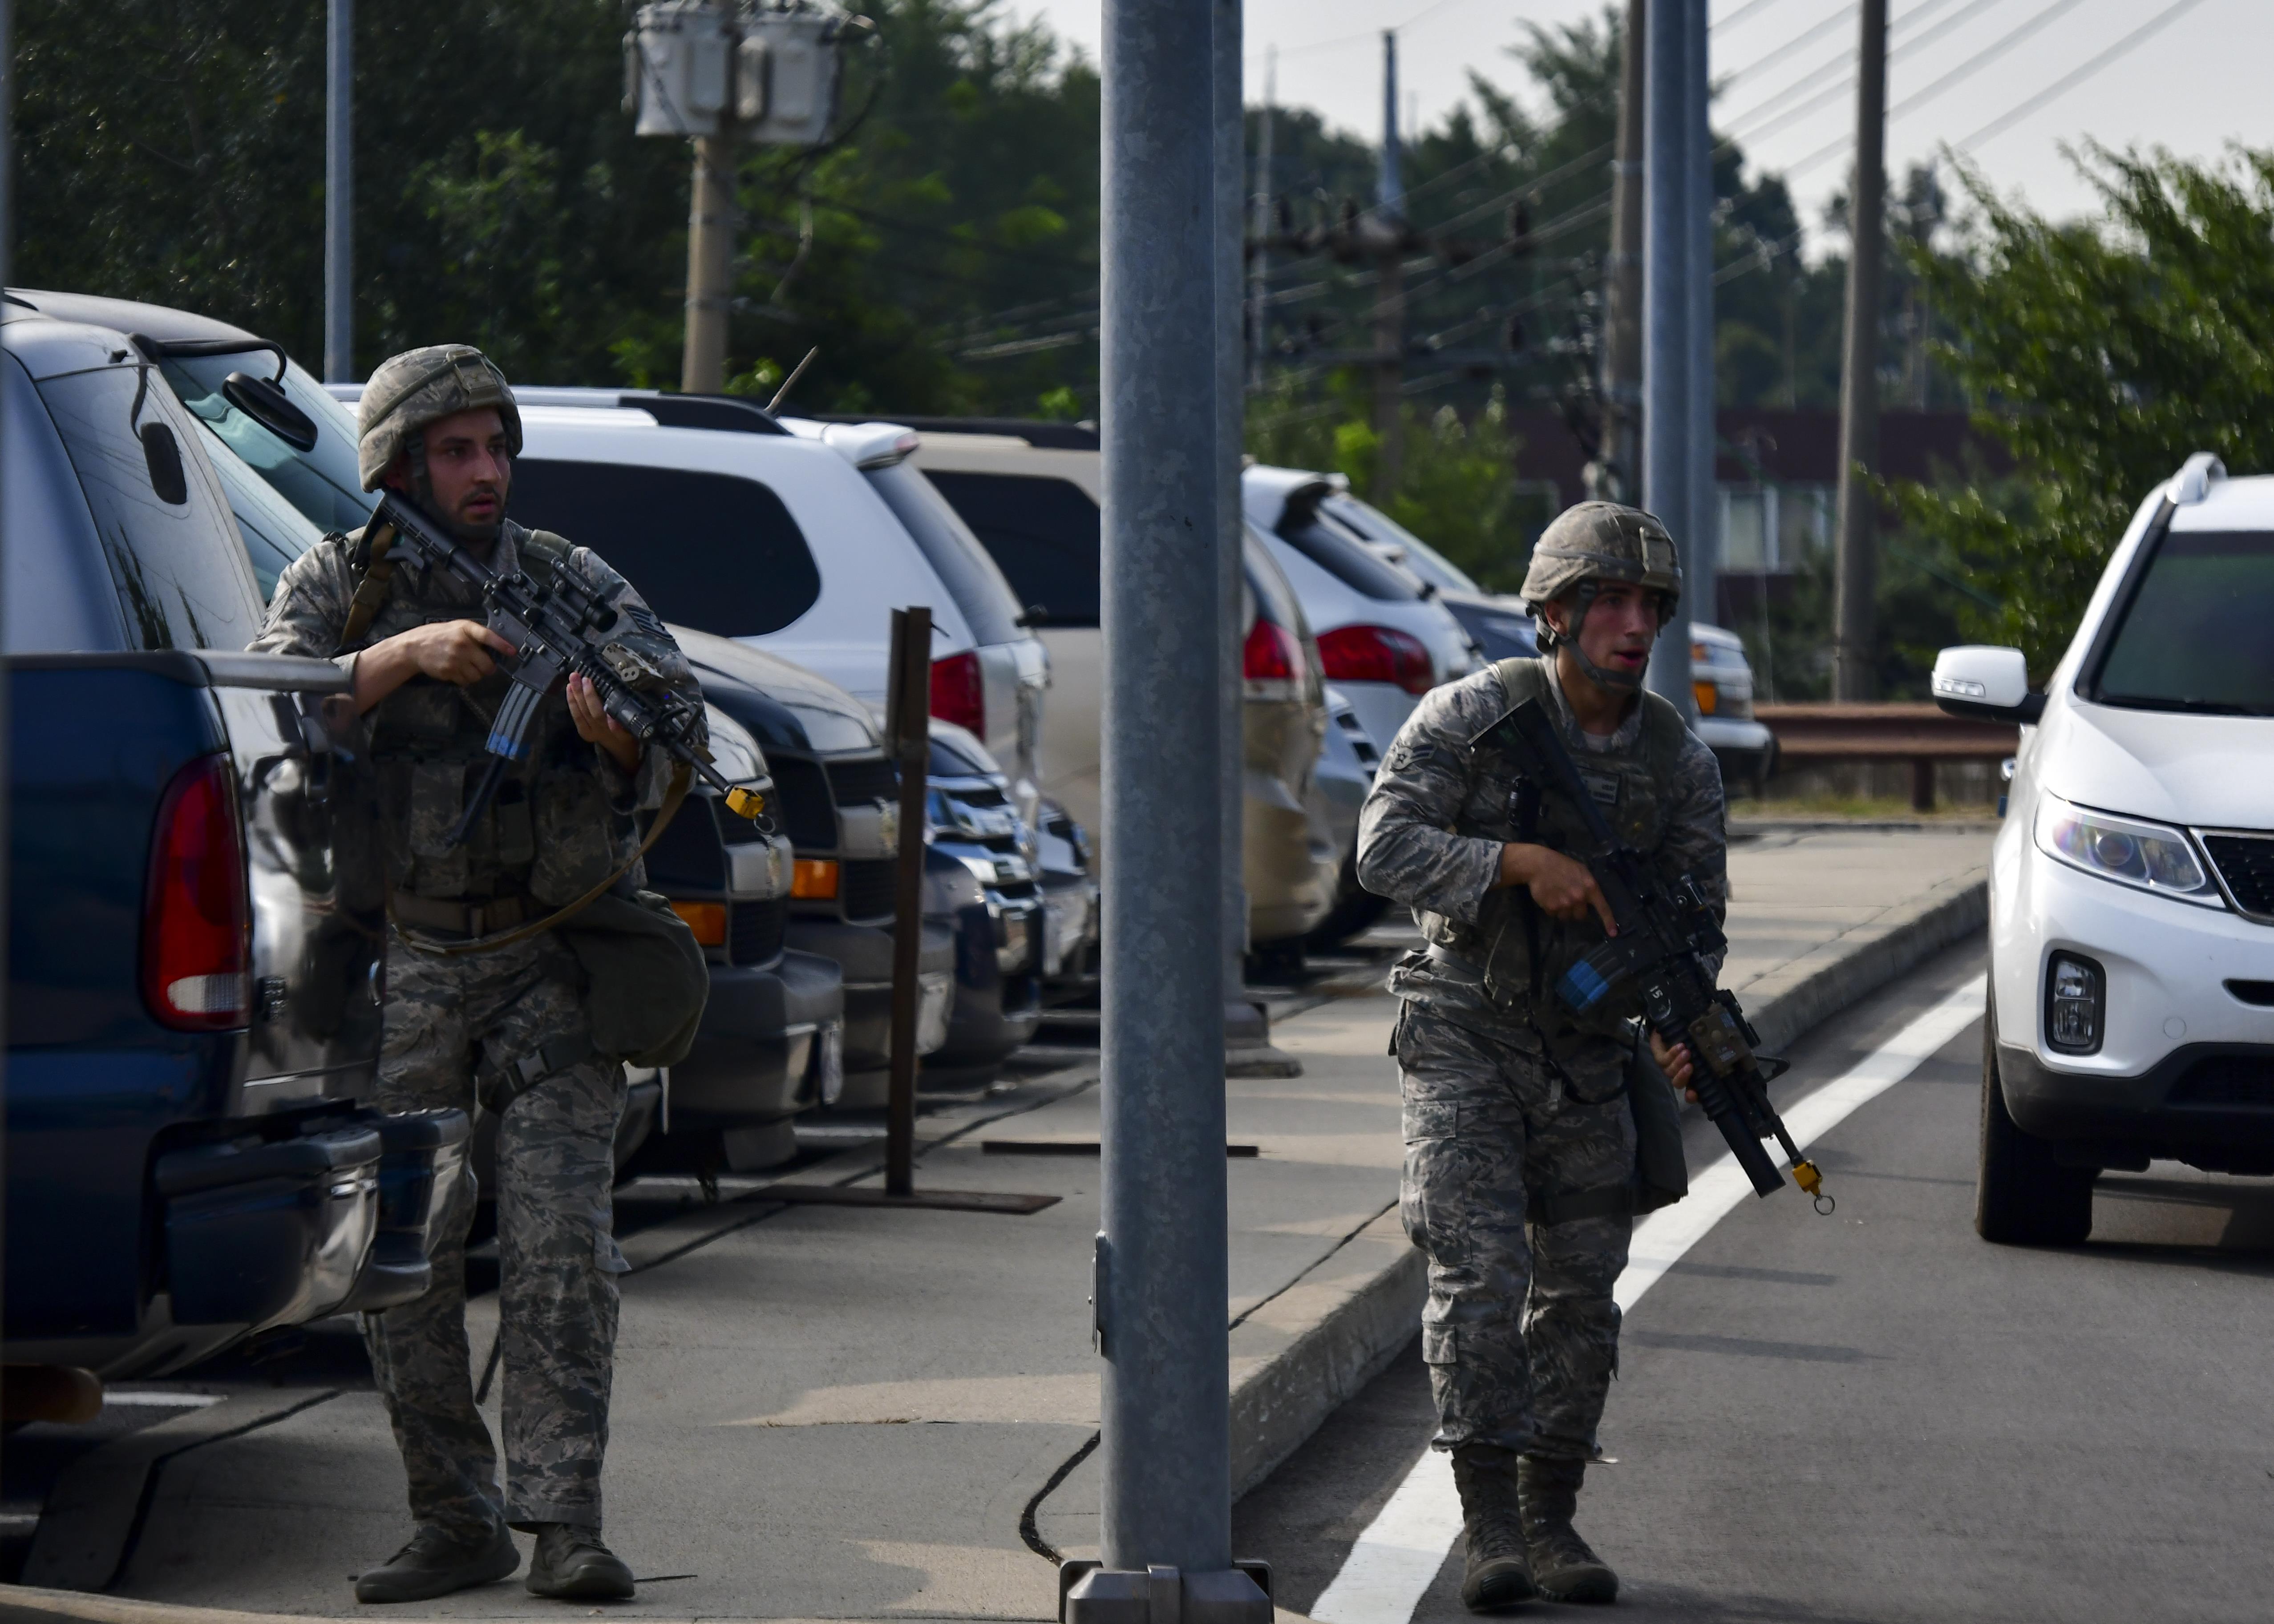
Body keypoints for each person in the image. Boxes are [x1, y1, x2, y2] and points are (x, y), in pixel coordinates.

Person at [252, 345, 701, 1605]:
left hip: (549, 957)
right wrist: (407, 656)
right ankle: (455, 1515)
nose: (485, 471)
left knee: (565, 1249)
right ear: (397, 464)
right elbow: (275, 711)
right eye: (456, 451)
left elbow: (676, 718)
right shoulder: (335, 585)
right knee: (408, 1254)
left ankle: (566, 1521)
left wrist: (620, 738)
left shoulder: (567, 579)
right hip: (407, 964)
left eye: (496, 447)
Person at [1355, 501, 1726, 1611]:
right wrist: (1514, 862)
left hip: (1583, 1052)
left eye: (1647, 606)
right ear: (1554, 616)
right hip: (1463, 1028)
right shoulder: (1473, 718)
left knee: (1580, 1297)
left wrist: (1680, 1023)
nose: (1631, 625)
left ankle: (1551, 1515)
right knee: (1476, 1280)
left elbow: (1695, 922)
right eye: (1606, 602)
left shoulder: (1675, 761)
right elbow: (1380, 848)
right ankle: (1485, 1528)